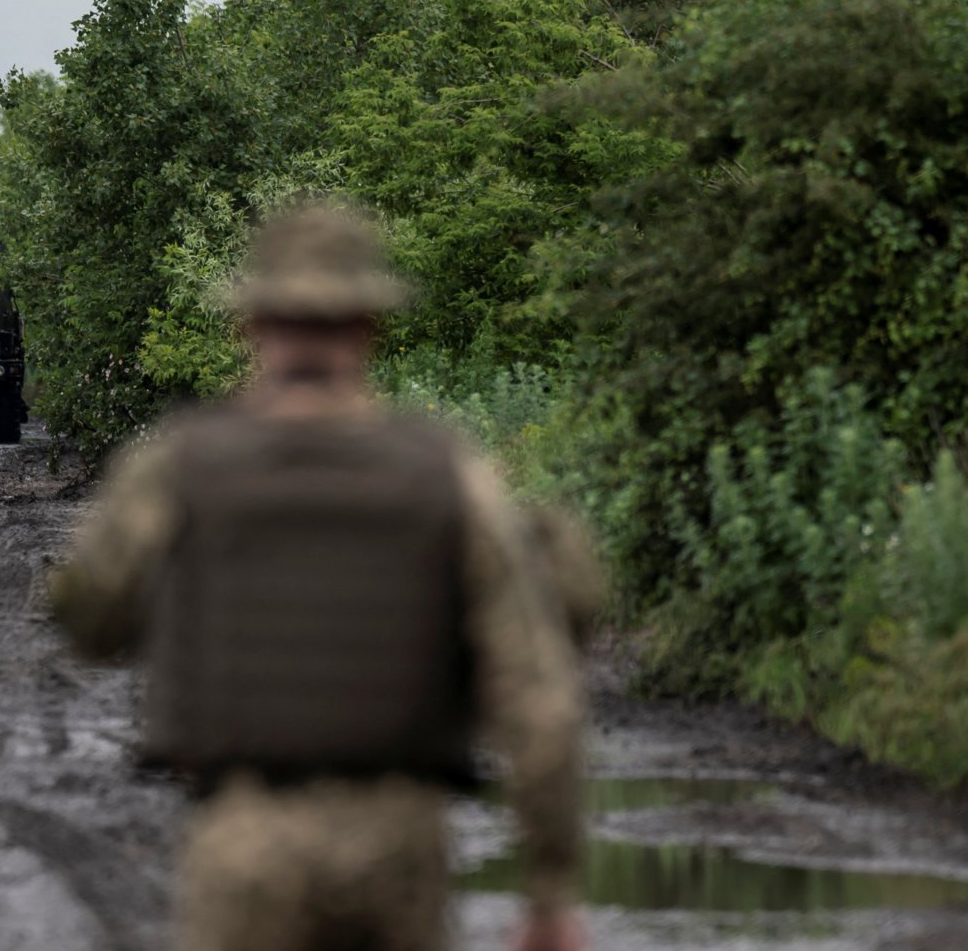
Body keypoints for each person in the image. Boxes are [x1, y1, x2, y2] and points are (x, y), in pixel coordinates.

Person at [48, 202, 588, 951]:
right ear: (369, 325)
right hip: (401, 837)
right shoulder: (447, 474)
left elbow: (92, 620)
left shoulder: (180, 465)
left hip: (246, 837)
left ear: (252, 324)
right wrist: (550, 888)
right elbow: (539, 696)